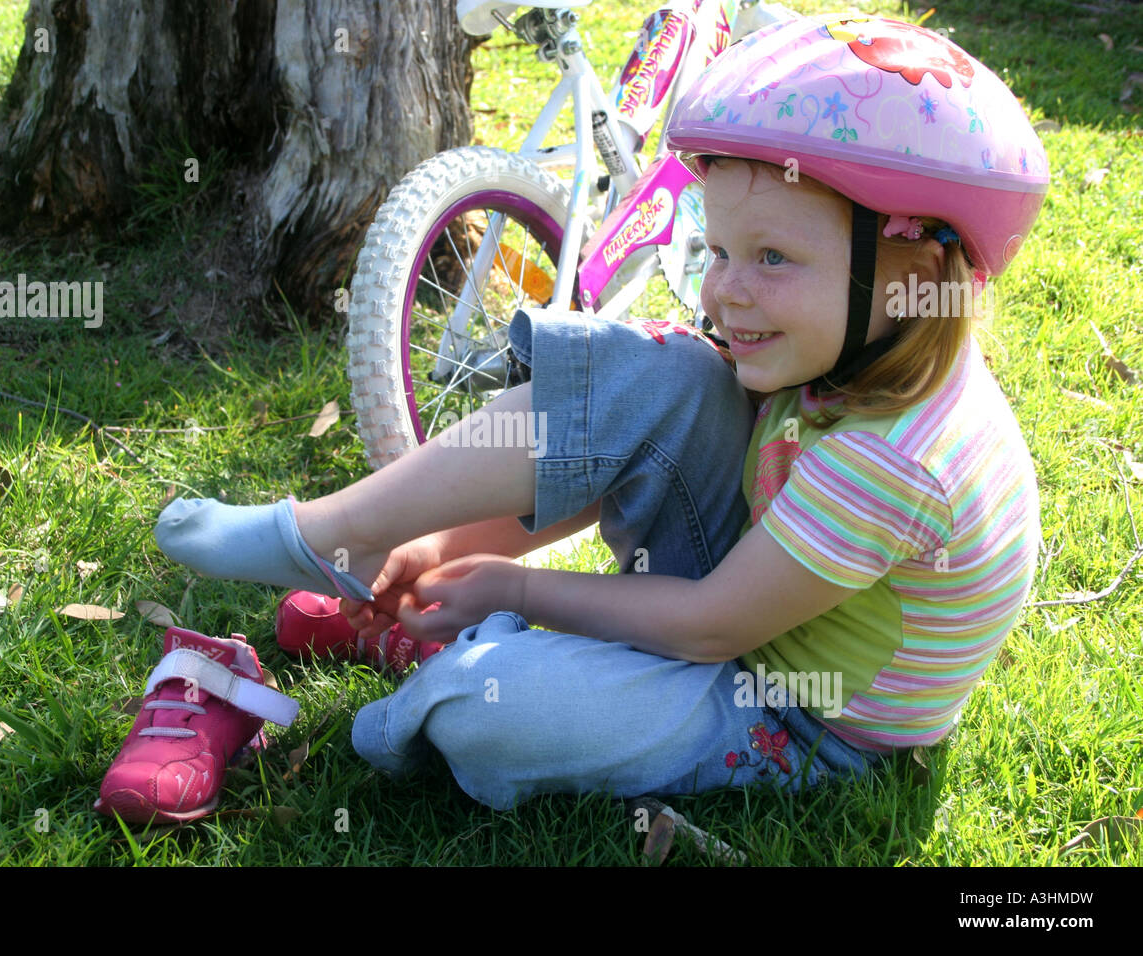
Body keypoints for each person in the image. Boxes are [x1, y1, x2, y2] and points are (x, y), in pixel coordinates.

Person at [137, 14, 1049, 814]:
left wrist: (513, 589)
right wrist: (457, 549)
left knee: (496, 712)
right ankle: (345, 540)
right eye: (720, 247)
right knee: (659, 375)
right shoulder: (852, 341)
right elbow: (630, 440)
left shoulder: (897, 459)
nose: (726, 288)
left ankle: (443, 652)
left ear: (914, 275)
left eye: (771, 257)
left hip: (793, 707)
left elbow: (712, 628)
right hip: (751, 597)